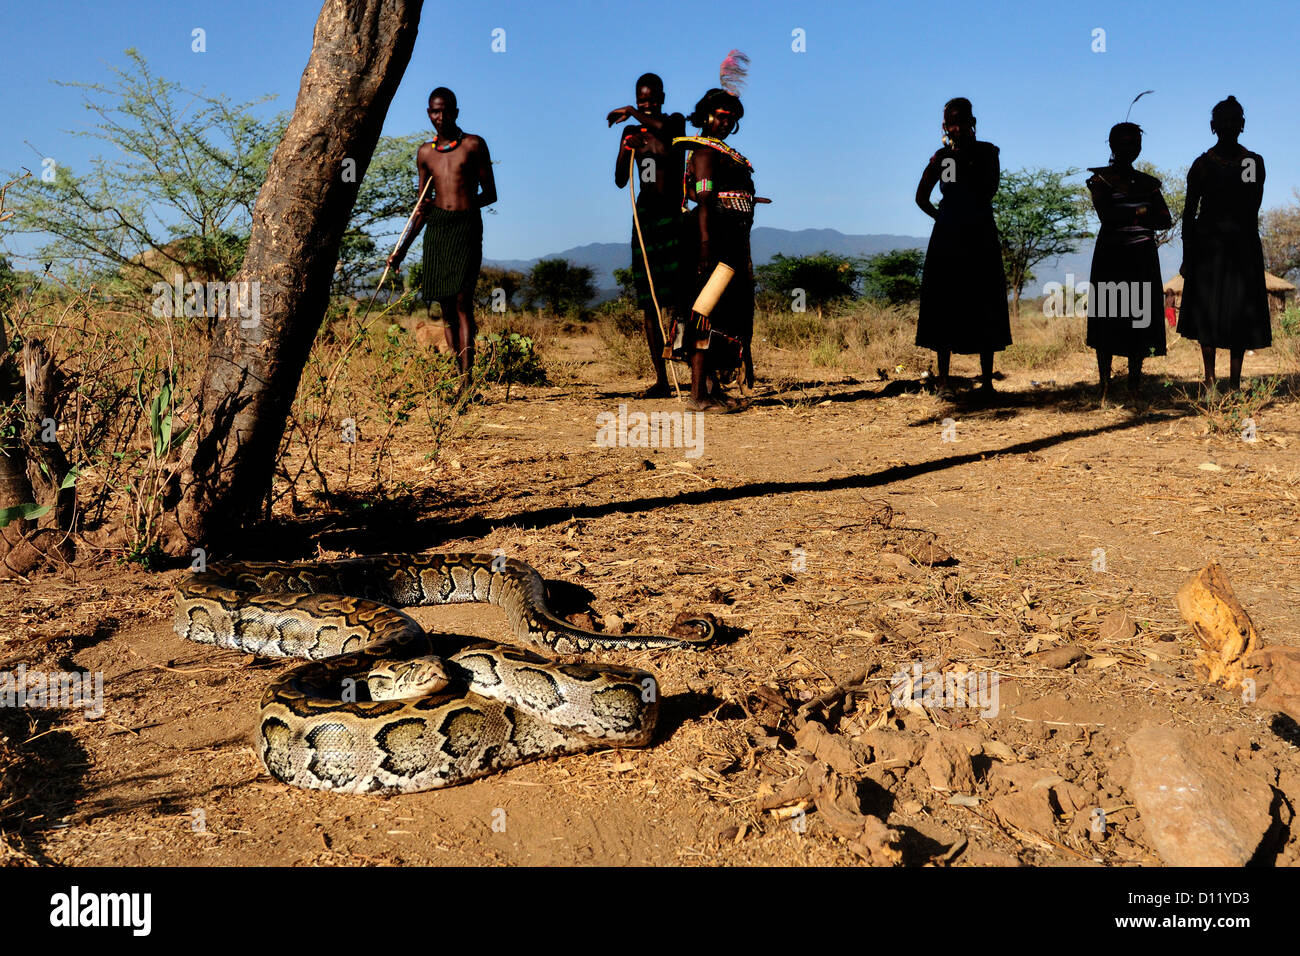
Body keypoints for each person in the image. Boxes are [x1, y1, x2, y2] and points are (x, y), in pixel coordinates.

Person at [387, 87, 497, 392]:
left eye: (446, 111)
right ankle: (455, 374)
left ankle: (467, 381)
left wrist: (462, 203)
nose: (440, 116)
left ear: (456, 113)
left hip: (465, 227)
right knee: (446, 306)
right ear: (428, 114)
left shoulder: (474, 145)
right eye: (435, 111)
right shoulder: (425, 152)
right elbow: (422, 206)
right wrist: (401, 251)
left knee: (463, 302)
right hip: (437, 231)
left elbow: (491, 193)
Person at [914, 97, 1011, 397]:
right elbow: (921, 197)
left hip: (980, 236)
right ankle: (943, 382)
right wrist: (942, 218)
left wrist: (960, 164)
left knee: (984, 302)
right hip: (947, 240)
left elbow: (989, 189)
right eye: (950, 122)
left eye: (961, 120)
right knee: (945, 304)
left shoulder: (987, 153)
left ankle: (986, 382)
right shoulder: (941, 158)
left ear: (973, 122)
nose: (956, 126)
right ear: (944, 126)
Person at [1177, 95, 1270, 392]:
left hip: (1242, 248)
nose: (1229, 126)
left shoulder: (1251, 162)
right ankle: (1209, 380)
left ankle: (1234, 383)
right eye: (1224, 121)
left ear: (1242, 125)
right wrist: (1187, 253)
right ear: (1213, 126)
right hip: (1207, 251)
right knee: (1208, 312)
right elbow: (1189, 213)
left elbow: (1251, 203)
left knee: (1238, 313)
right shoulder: (1202, 166)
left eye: (1235, 120)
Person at [674, 85, 756, 411]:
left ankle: (711, 388)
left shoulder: (725, 153)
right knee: (705, 313)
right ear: (707, 116)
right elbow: (705, 199)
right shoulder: (705, 152)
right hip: (710, 241)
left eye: (731, 118)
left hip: (730, 240)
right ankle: (698, 395)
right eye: (722, 116)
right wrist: (706, 245)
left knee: (721, 315)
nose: (726, 123)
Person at [607, 74, 687, 398]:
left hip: (674, 215)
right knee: (649, 301)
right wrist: (628, 149)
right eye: (641, 101)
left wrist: (633, 113)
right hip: (645, 218)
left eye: (651, 100)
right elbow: (619, 181)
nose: (646, 105)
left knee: (681, 294)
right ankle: (661, 381)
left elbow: (667, 138)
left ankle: (685, 353)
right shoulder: (632, 132)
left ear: (662, 97)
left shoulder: (675, 122)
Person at [1085, 122, 1172, 402]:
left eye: (1134, 143)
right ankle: (1105, 384)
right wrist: (1144, 209)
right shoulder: (1100, 180)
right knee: (1108, 313)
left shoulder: (1148, 183)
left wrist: (1136, 212)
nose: (1129, 148)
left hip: (1142, 256)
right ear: (1112, 145)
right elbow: (1108, 216)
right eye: (1123, 142)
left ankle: (1134, 383)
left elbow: (1165, 219)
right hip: (1112, 254)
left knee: (1139, 317)